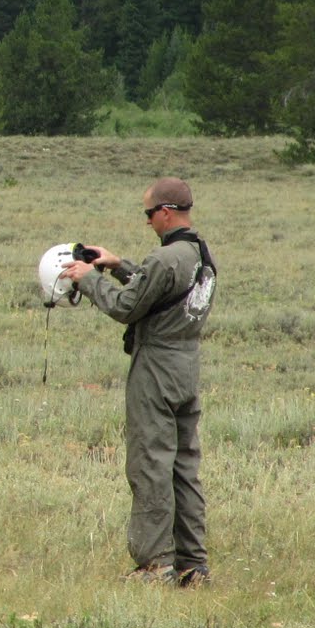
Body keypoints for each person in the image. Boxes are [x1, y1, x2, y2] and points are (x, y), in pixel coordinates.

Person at [60, 177, 217, 588]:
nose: (147, 222)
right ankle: (192, 565)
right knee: (184, 467)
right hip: (186, 365)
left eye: (149, 213)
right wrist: (117, 265)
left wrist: (88, 278)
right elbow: (160, 288)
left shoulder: (165, 257)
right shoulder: (200, 253)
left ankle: (155, 565)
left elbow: (126, 307)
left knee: (150, 464)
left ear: (165, 212)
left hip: (157, 368)